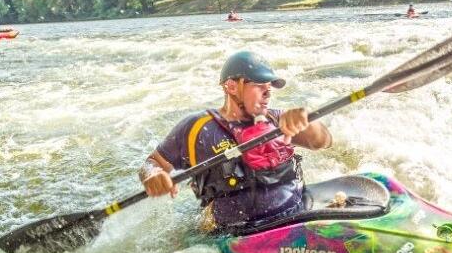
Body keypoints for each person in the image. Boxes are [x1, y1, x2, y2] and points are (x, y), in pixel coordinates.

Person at [139, 51, 332, 232]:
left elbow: (324, 141)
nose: (268, 92)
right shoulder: (197, 129)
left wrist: (307, 121)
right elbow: (154, 162)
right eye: (258, 85)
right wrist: (154, 174)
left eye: (269, 86)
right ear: (231, 86)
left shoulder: (279, 120)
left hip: (294, 215)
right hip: (234, 234)